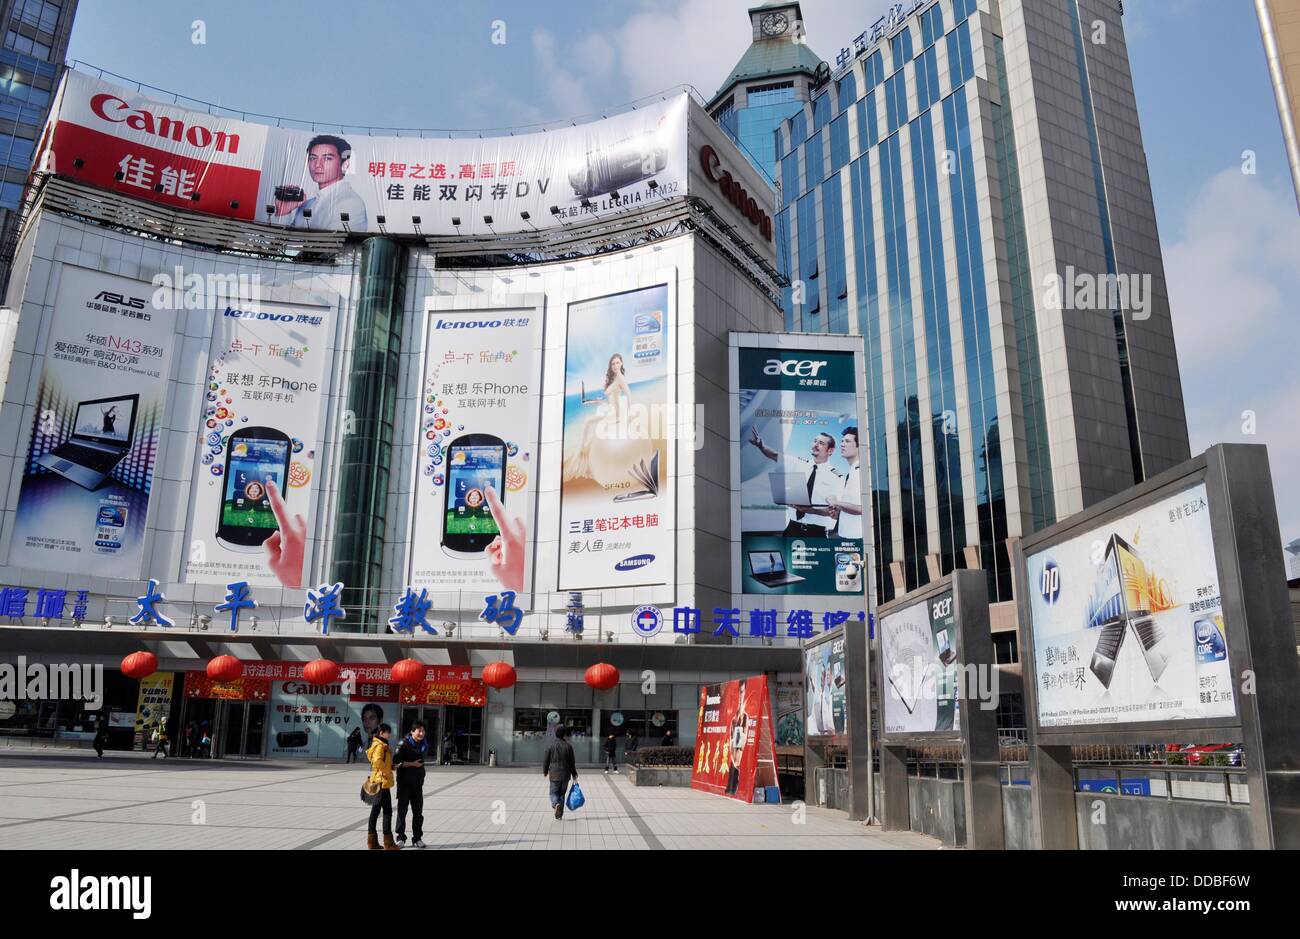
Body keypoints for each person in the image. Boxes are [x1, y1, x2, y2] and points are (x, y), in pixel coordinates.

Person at [748, 426, 842, 537]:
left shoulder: (836, 477)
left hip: (816, 533)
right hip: (792, 528)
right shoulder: (799, 463)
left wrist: (811, 510)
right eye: (815, 441)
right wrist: (761, 445)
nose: (815, 445)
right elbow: (775, 455)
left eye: (821, 443)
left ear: (830, 450)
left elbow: (835, 511)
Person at [274, 134, 368, 231]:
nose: (318, 165)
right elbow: (282, 240)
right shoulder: (307, 204)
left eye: (327, 158)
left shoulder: (351, 203)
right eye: (313, 158)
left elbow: (332, 244)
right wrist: (283, 212)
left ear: (345, 164)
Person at [393, 721, 428, 849]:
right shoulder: (403, 744)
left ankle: (417, 838)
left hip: (418, 784)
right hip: (404, 784)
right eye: (419, 731)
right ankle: (400, 838)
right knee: (402, 812)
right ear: (412, 732)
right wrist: (412, 764)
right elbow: (395, 763)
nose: (421, 733)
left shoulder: (423, 744)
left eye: (423, 731)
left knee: (418, 813)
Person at [365, 723, 400, 850]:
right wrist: (387, 770)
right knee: (387, 812)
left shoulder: (378, 744)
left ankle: (372, 842)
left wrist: (390, 767)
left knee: (375, 811)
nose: (389, 734)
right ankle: (388, 843)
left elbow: (380, 762)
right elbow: (377, 761)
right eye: (387, 732)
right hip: (382, 782)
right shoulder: (380, 746)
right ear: (381, 733)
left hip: (379, 780)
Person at [827, 427, 863, 539]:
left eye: (847, 441)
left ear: (859, 446)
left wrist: (836, 502)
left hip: (856, 539)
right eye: (842, 441)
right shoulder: (852, 470)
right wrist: (838, 512)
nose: (842, 444)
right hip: (845, 536)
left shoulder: (860, 471)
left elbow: (862, 508)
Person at [543, 725, 579, 820]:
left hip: (554, 774)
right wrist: (574, 773)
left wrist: (545, 771)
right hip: (566, 774)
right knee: (562, 794)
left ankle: (555, 804)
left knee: (553, 793)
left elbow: (546, 760)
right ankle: (559, 815)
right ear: (564, 734)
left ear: (556, 734)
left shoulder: (550, 745)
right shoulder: (568, 746)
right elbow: (572, 762)